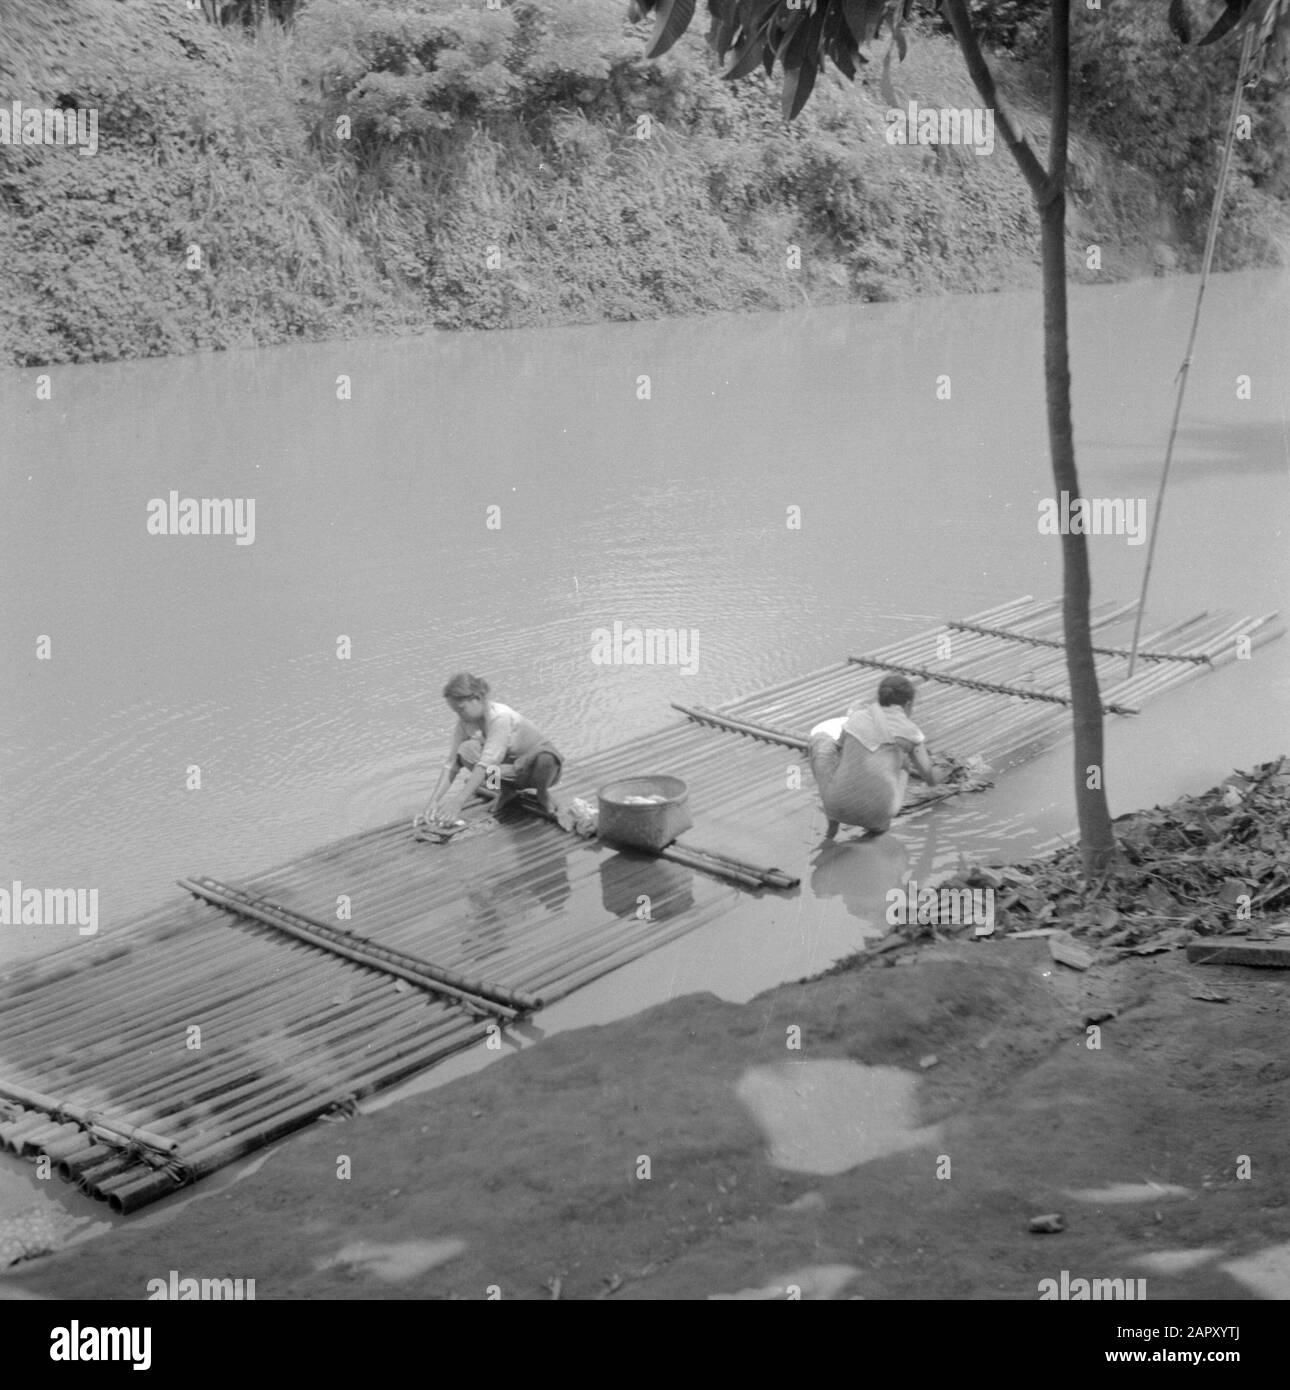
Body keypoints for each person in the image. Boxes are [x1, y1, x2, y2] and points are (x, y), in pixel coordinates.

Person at [421, 673, 563, 827]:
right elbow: (451, 764)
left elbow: (487, 763)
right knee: (465, 751)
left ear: (478, 698)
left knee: (546, 757)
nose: (459, 715)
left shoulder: (500, 717)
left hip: (537, 770)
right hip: (510, 769)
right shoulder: (466, 722)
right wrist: (433, 802)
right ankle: (505, 791)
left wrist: (457, 802)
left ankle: (542, 794)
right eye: (455, 711)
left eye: (461, 709)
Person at [808, 673, 937, 839]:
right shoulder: (912, 733)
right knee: (904, 761)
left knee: (821, 739)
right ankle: (877, 831)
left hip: (837, 806)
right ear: (907, 705)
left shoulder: (856, 718)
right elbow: (930, 778)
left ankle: (832, 826)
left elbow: (837, 750)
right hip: (879, 815)